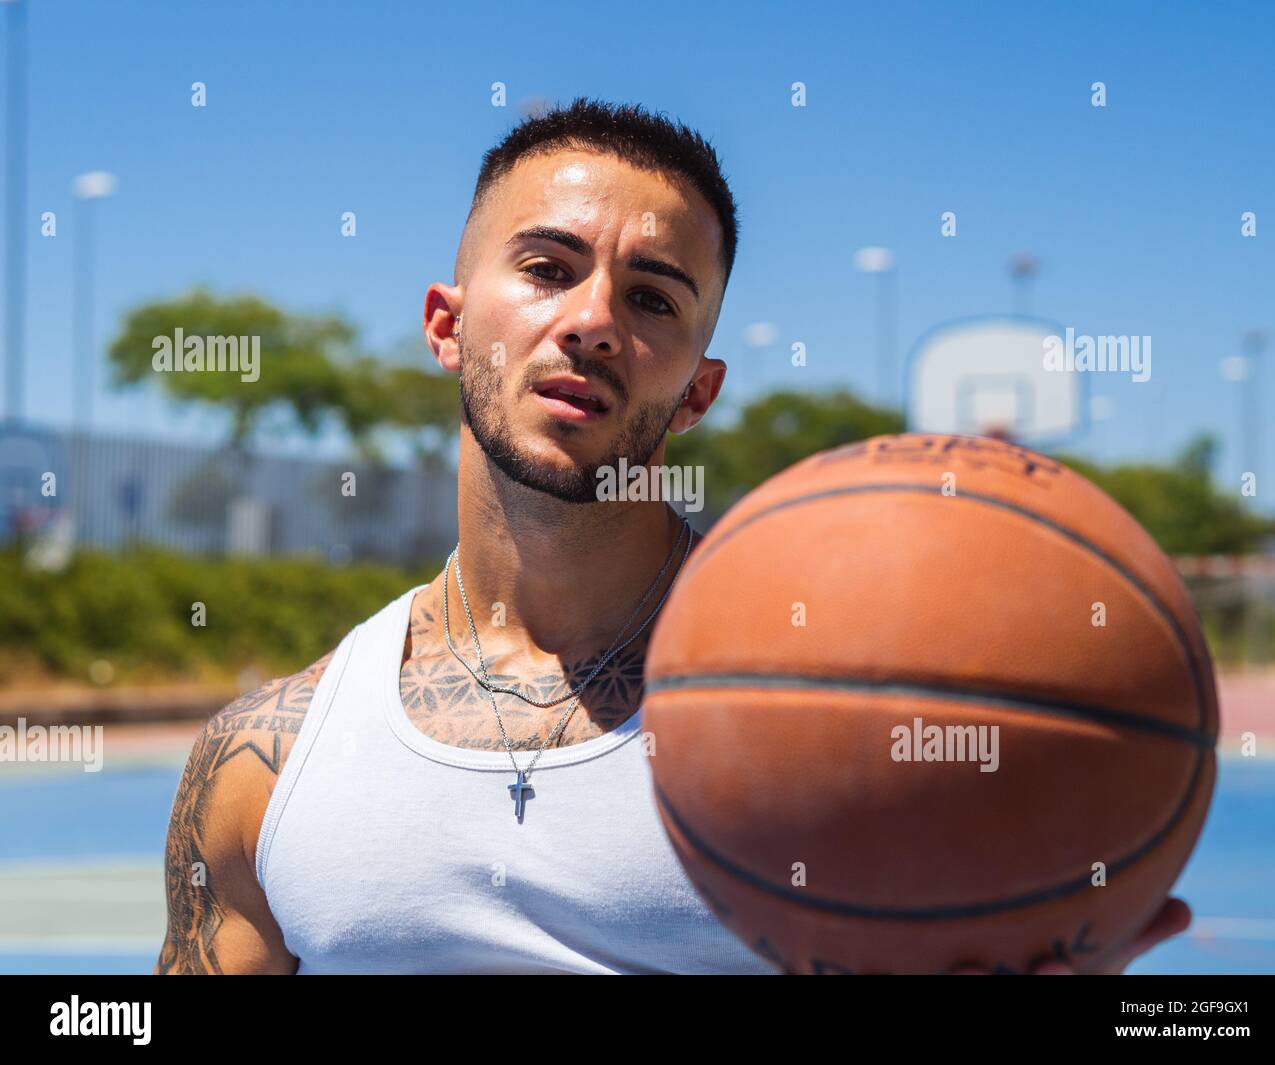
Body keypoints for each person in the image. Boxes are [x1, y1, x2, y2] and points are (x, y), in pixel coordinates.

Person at [155, 97, 1190, 975]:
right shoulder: (266, 762)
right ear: (446, 324)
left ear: (696, 390)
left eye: (652, 296)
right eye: (547, 267)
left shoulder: (850, 729)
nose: (594, 320)